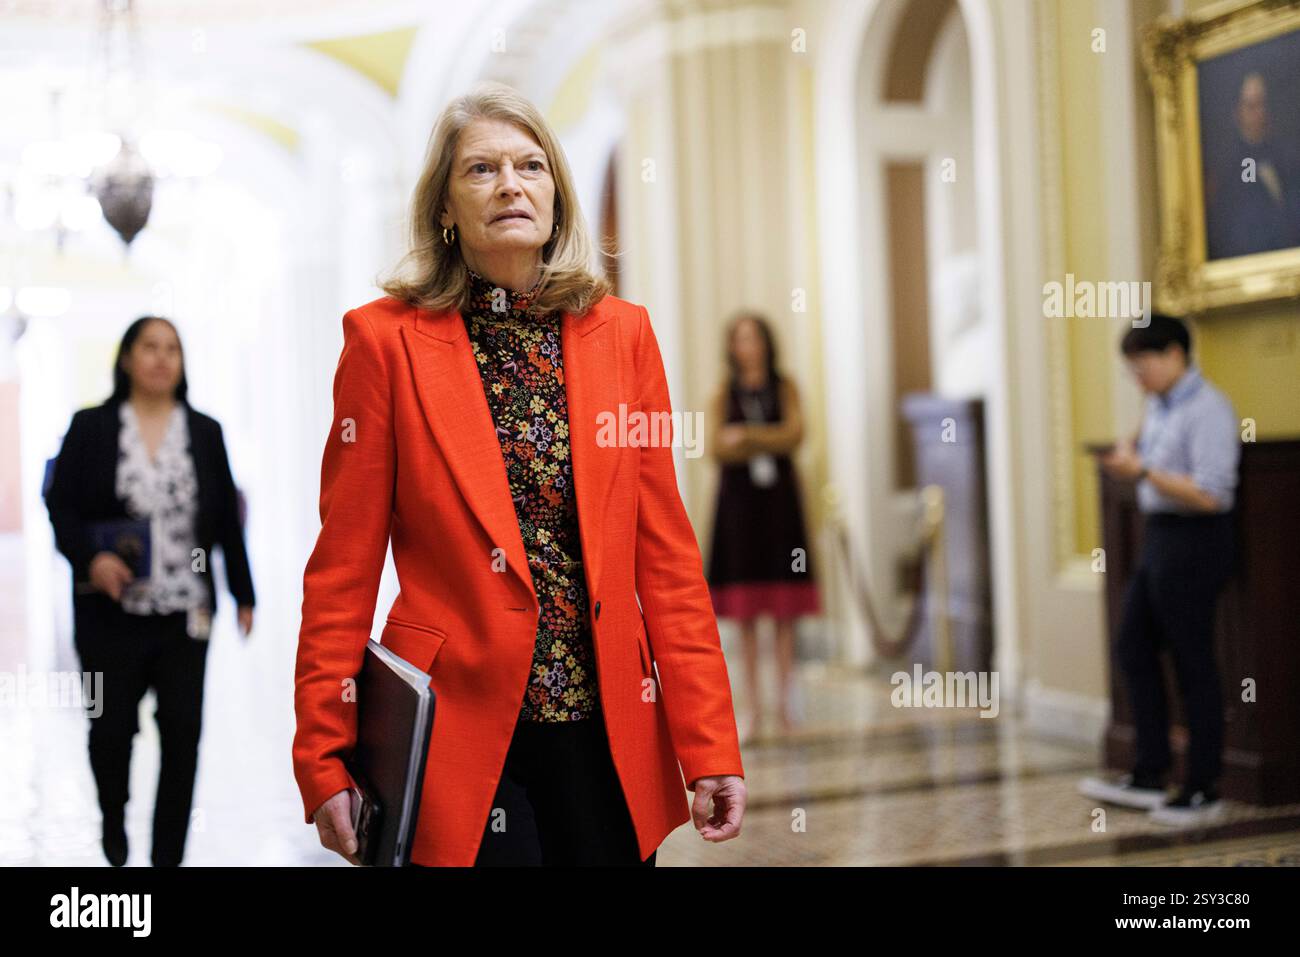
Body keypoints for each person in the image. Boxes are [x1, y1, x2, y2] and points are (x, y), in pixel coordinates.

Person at [293, 81, 746, 867]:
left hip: (603, 719)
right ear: (444, 205)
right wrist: (323, 753)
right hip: (459, 727)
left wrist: (709, 743)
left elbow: (666, 559)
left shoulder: (624, 337)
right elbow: (342, 569)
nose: (510, 184)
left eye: (531, 166)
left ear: (556, 197)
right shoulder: (383, 344)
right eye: (482, 170)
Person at [45, 315, 256, 866]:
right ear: (126, 358)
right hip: (111, 612)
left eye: (173, 349)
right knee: (110, 731)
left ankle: (168, 859)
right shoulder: (90, 427)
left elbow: (227, 521)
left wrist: (244, 592)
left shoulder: (204, 431)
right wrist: (94, 558)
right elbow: (60, 504)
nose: (162, 358)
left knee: (183, 734)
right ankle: (113, 819)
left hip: (188, 611)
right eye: (150, 347)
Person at [1078, 313, 1240, 826]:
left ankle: (1202, 784)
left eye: (1142, 365)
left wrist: (1144, 471)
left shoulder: (1210, 409)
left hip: (1197, 538)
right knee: (1132, 645)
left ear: (1174, 354)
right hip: (1160, 538)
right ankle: (1150, 770)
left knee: (1193, 660)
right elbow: (1142, 443)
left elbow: (1213, 494)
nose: (1138, 378)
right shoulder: (1159, 404)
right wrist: (1132, 451)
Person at [705, 312, 820, 744]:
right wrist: (756, 438)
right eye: (740, 339)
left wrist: (748, 436)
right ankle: (751, 708)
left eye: (754, 338)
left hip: (779, 507)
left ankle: (787, 705)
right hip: (740, 509)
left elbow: (794, 434)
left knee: (784, 612)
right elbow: (717, 446)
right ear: (732, 347)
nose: (748, 346)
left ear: (767, 344)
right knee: (748, 616)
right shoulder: (722, 392)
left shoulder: (784, 387)